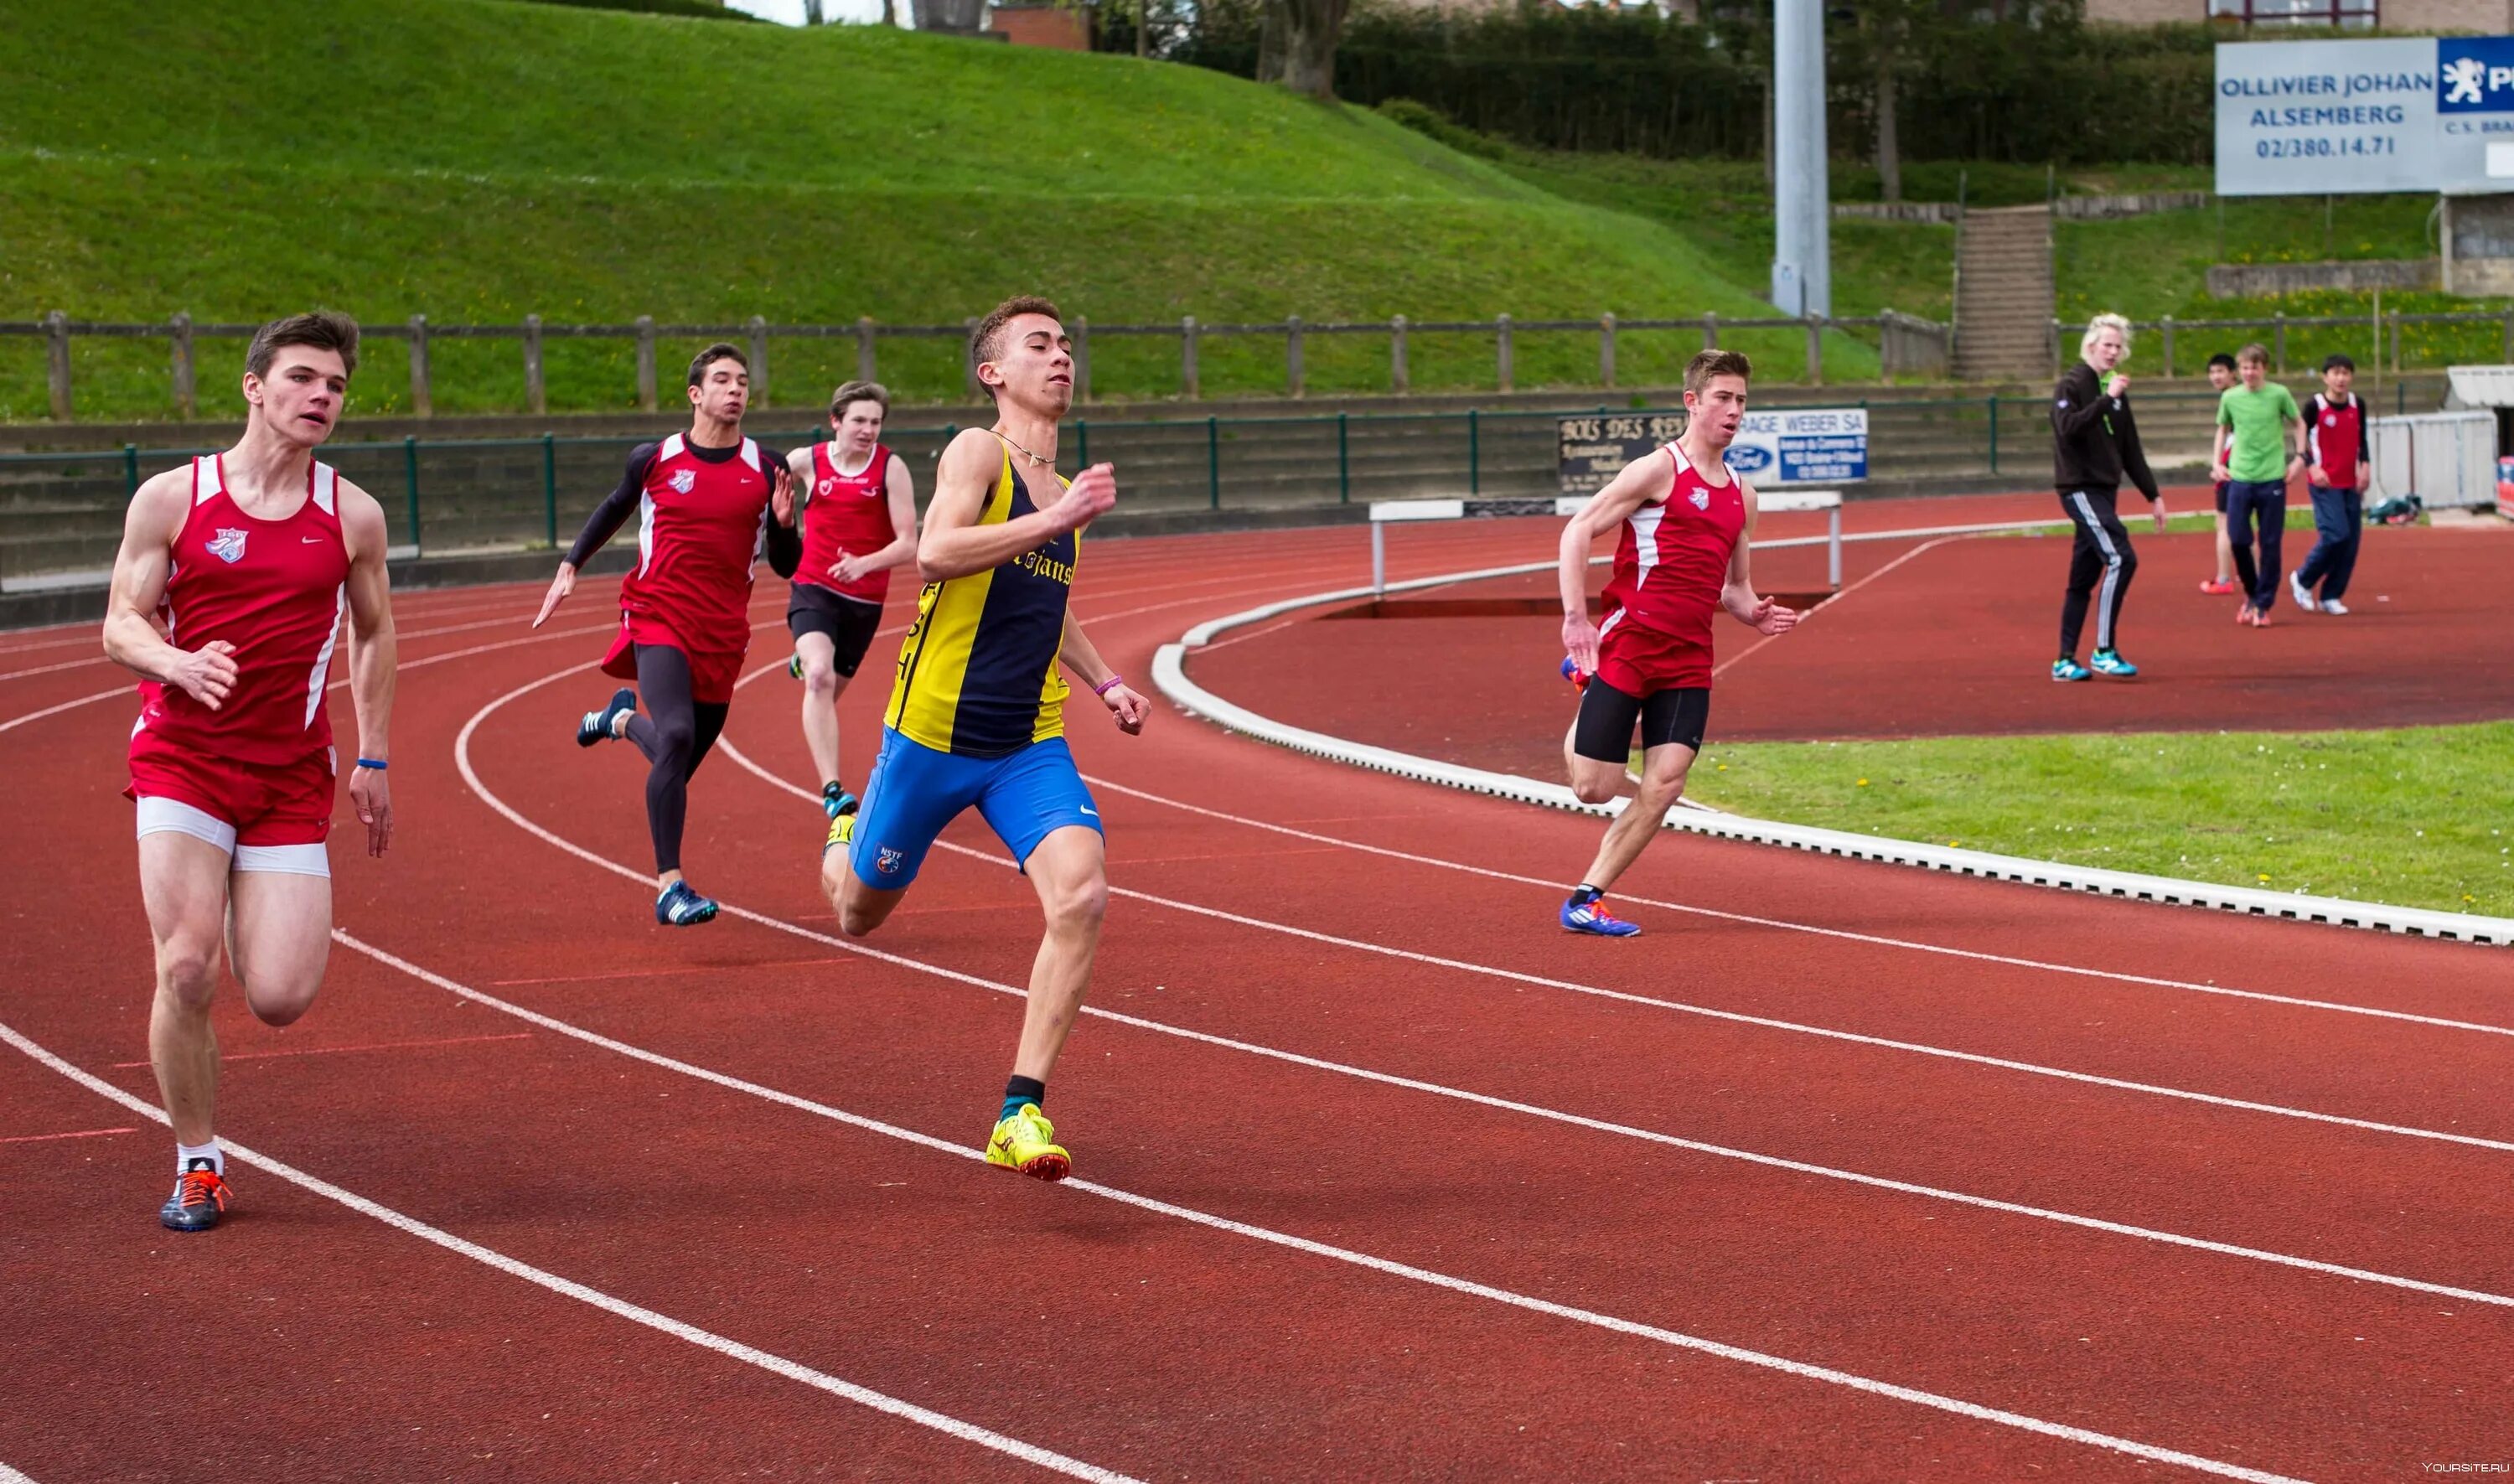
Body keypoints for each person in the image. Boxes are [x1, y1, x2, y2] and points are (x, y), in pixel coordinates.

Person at [820, 296, 1151, 1182]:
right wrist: (1057, 517)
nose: (1062, 357)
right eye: (1038, 345)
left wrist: (1107, 678)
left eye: (1068, 344)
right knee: (857, 914)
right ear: (993, 373)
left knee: (1081, 895)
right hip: (930, 737)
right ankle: (845, 827)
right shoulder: (980, 453)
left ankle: (1020, 1110)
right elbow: (935, 551)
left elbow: (1051, 601)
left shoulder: (1058, 490)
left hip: (1026, 744)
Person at [101, 311, 398, 1233]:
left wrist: (374, 756)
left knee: (277, 996)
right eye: (304, 378)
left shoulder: (351, 514)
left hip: (288, 775)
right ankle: (198, 1160)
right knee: (187, 968)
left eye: (336, 385)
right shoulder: (172, 498)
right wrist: (174, 664)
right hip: (183, 759)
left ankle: (243, 891)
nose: (321, 397)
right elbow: (119, 622)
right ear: (254, 386)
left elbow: (377, 630)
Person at [533, 343, 799, 924]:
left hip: (724, 630)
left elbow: (786, 563)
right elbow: (614, 506)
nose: (735, 390)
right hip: (658, 612)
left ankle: (622, 720)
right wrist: (570, 566)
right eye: (722, 380)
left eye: (742, 381)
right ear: (696, 394)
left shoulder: (767, 465)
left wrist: (784, 524)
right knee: (676, 734)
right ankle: (670, 886)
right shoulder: (655, 458)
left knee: (678, 758)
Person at [1552, 349, 1798, 938]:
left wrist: (1755, 614)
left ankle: (1587, 896)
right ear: (1692, 402)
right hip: (1631, 640)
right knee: (1595, 788)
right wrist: (1576, 619)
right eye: (1723, 398)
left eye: (1741, 400)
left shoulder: (1745, 495)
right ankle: (1586, 679)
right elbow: (1577, 528)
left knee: (1666, 783)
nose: (1734, 410)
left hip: (1689, 656)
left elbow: (1735, 587)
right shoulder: (1657, 470)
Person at [784, 380, 918, 824]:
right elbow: (765, 503)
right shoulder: (807, 462)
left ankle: (805, 658)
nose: (868, 430)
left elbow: (908, 544)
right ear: (835, 422)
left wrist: (865, 564)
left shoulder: (890, 468)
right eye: (859, 420)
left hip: (863, 600)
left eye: (875, 422)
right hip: (814, 588)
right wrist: (780, 523)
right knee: (819, 678)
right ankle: (832, 790)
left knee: (828, 691)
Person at [2049, 313, 2166, 682]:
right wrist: (2106, 399)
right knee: (2121, 557)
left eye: (2118, 346)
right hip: (2079, 488)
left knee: (2082, 578)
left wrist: (2154, 495)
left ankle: (2064, 660)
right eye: (2107, 345)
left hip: (2104, 491)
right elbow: (2068, 429)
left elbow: (2130, 449)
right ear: (2090, 346)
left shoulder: (2115, 392)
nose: (2113, 352)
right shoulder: (2072, 384)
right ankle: (2104, 651)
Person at [2211, 344, 2304, 628]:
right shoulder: (2231, 397)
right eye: (2245, 368)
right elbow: (2222, 428)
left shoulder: (2279, 394)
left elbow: (2299, 423)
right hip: (2239, 478)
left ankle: (2263, 604)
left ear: (2264, 368)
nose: (2250, 372)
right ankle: (2252, 593)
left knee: (2271, 542)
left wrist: (2299, 458)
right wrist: (2216, 463)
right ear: (2240, 371)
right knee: (2238, 538)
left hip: (2273, 478)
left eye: (2255, 367)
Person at [2291, 353, 2371, 617]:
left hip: (2351, 481)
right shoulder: (2314, 406)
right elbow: (2301, 437)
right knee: (2336, 534)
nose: (2341, 378)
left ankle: (2331, 595)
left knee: (2351, 543)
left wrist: (2366, 467)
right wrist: (2311, 465)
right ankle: (2303, 579)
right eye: (2335, 373)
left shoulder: (2357, 404)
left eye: (2346, 373)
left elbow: (2363, 439)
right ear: (2325, 377)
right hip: (2325, 481)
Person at [2201, 352, 2241, 596]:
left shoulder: (2232, 397)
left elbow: (2226, 433)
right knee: (2242, 525)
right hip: (2243, 466)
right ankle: (2257, 576)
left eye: (2221, 371)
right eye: (2212, 372)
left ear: (2232, 373)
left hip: (2233, 466)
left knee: (2224, 524)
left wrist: (2219, 464)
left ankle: (2224, 578)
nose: (2216, 376)